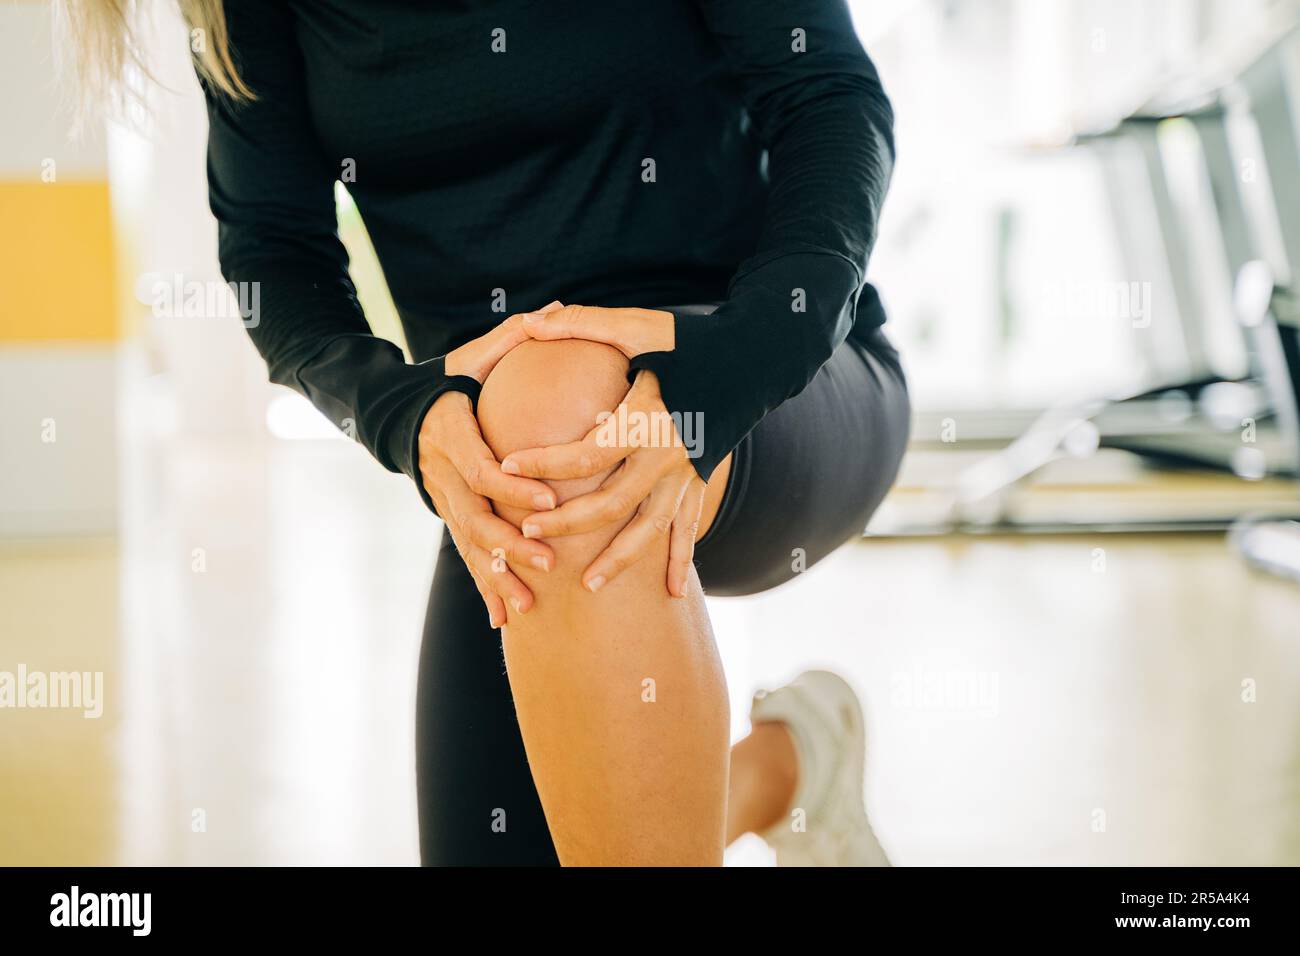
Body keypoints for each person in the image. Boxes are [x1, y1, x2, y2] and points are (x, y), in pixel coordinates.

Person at [66, 0, 910, 866]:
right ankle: (792, 770)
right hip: (521, 476)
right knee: (547, 433)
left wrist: (745, 356)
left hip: (781, 384)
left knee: (557, 407)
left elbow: (829, 97)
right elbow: (273, 250)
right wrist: (401, 408)